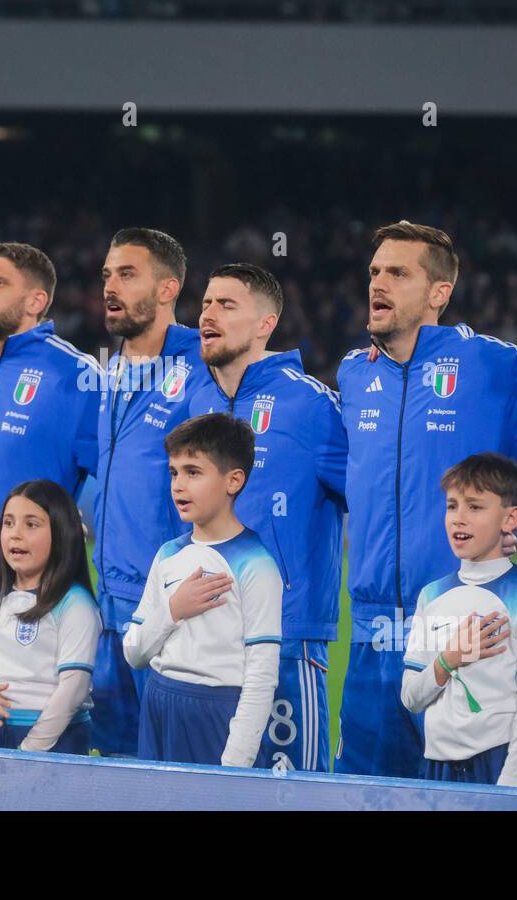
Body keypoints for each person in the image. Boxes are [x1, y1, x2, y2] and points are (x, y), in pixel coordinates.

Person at [334, 221, 517, 778]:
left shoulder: (494, 366)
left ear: (438, 293)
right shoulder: (355, 374)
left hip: (462, 626)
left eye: (398, 273)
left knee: (461, 793)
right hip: (374, 627)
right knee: (364, 793)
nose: (378, 282)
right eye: (375, 271)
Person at [0, 242, 100, 744]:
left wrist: (82, 531)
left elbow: (108, 477)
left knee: (25, 770)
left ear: (36, 301)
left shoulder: (74, 375)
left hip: (34, 608)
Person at [188, 263, 346, 772]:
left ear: (265, 324)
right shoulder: (199, 403)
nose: (208, 314)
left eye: (226, 305)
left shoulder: (310, 404)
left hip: (285, 638)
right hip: (207, 638)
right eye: (206, 303)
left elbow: (368, 496)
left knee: (289, 796)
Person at [91, 227, 208, 757]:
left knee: (170, 767)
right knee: (113, 762)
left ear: (167, 289)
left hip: (168, 603)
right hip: (108, 601)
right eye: (107, 275)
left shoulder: (204, 364)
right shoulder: (110, 370)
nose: (111, 286)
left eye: (127, 274)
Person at [124, 413, 282, 768]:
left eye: (193, 472)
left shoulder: (256, 565)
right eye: (174, 472)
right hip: (159, 705)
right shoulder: (168, 555)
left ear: (234, 481)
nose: (178, 485)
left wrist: (235, 765)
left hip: (214, 715)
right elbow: (133, 653)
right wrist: (172, 611)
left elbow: (261, 678)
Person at [400, 454, 517, 787]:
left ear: (511, 518)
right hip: (437, 770)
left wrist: (511, 787)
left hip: (498, 766)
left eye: (475, 507)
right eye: (452, 506)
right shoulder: (430, 596)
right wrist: (448, 660)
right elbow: (411, 697)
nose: (459, 519)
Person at [0, 480, 100, 754]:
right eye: (8, 523)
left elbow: (73, 689)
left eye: (31, 524)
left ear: (61, 533)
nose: (15, 535)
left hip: (55, 738)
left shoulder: (74, 605)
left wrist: (31, 749)